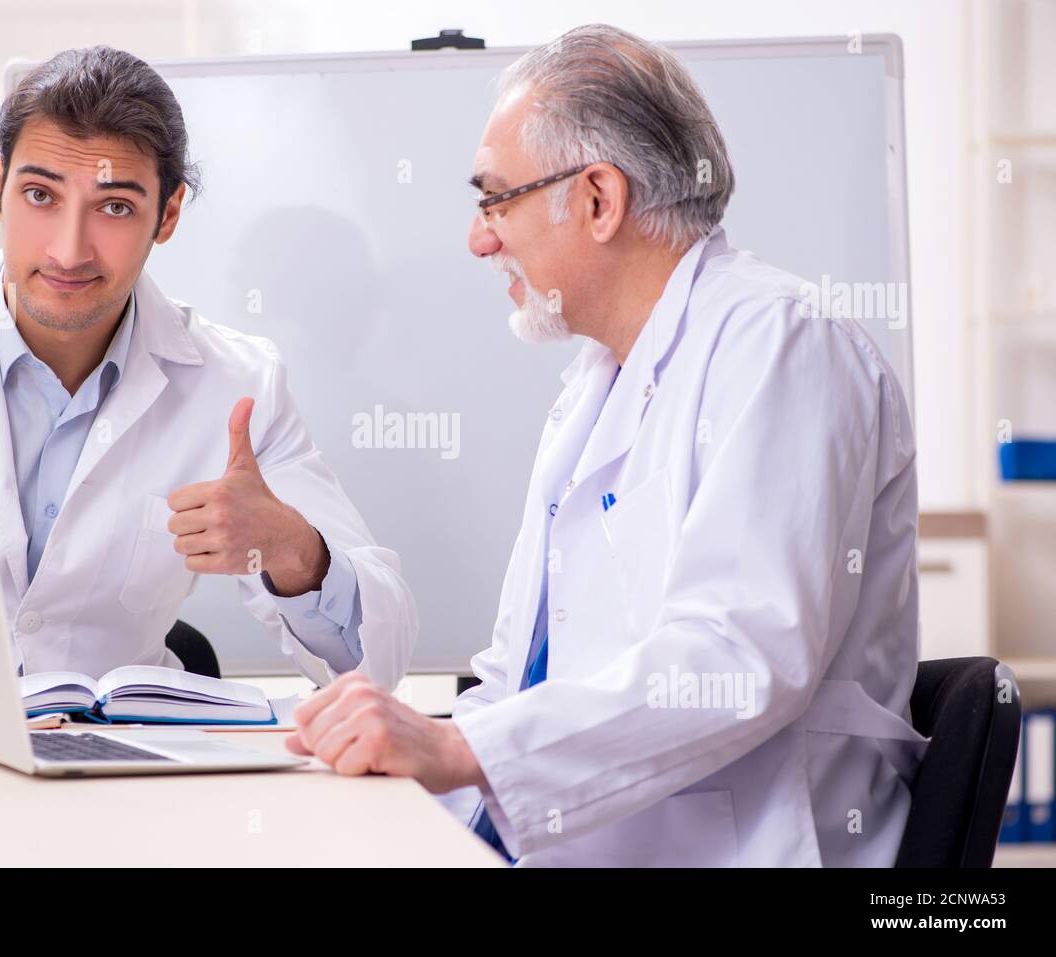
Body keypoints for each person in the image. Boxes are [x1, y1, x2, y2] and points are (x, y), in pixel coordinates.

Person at [286, 24, 926, 867]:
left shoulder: (781, 343)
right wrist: (402, 759)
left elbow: (737, 658)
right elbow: (521, 680)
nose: (480, 238)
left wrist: (464, 754)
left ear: (597, 198)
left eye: (495, 199)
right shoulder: (595, 388)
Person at [0, 45, 417, 726]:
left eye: (115, 207)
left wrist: (294, 549)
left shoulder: (239, 385)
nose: (69, 250)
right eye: (40, 196)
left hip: (115, 778)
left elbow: (375, 661)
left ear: (167, 215)